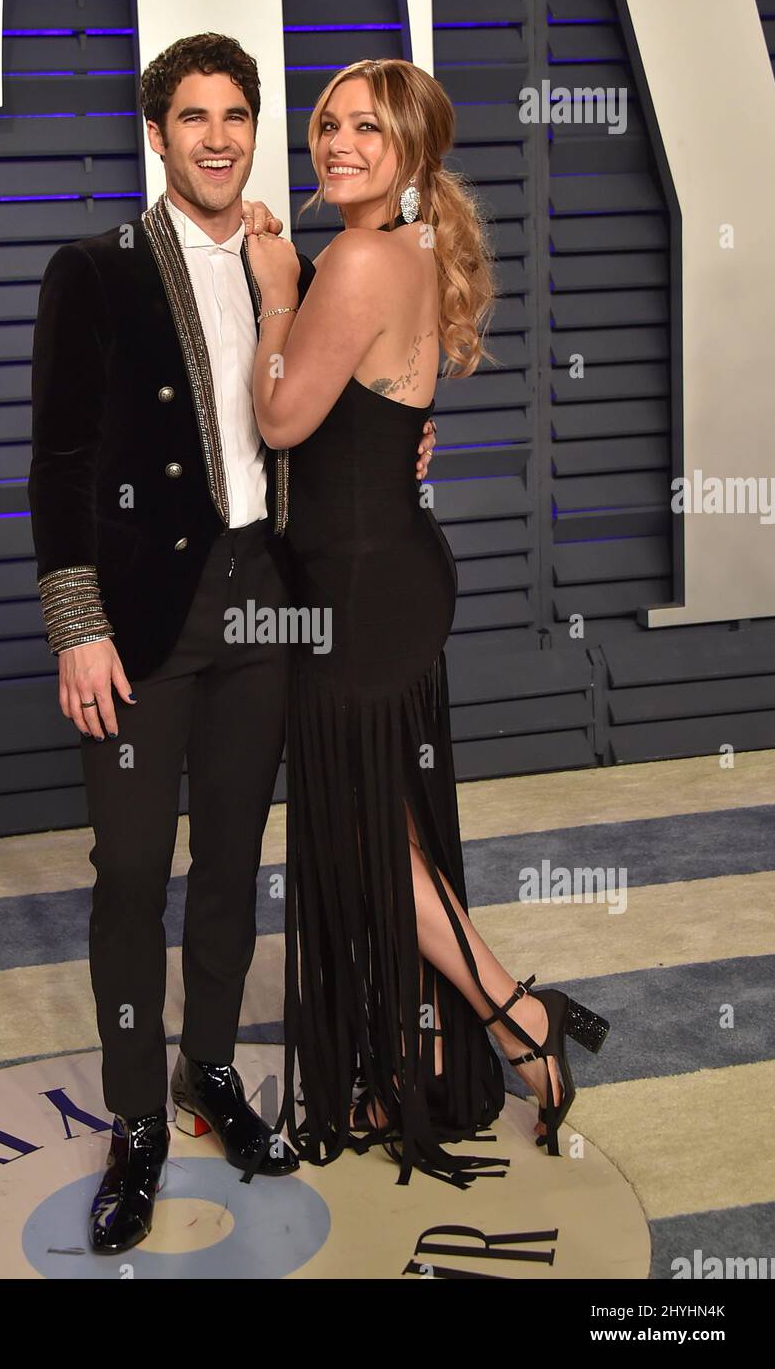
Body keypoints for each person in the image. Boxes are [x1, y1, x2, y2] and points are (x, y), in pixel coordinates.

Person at [27, 35, 437, 1251]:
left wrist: (419, 447)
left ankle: (210, 1069)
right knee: (130, 871)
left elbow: (351, 401)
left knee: (229, 867)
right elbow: (55, 466)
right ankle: (137, 1122)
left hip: (268, 603)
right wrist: (77, 628)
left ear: (255, 131)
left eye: (237, 116)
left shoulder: (299, 265)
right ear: (156, 133)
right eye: (193, 116)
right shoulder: (92, 272)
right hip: (142, 622)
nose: (218, 137)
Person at [243, 57, 610, 1188]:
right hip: (384, 573)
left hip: (360, 593)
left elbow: (282, 415)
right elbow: (377, 415)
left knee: (363, 836)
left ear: (413, 151)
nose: (338, 141)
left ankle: (514, 1013)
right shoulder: (400, 250)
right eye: (330, 121)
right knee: (383, 831)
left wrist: (271, 288)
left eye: (368, 127)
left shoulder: (353, 257)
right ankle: (446, 1042)